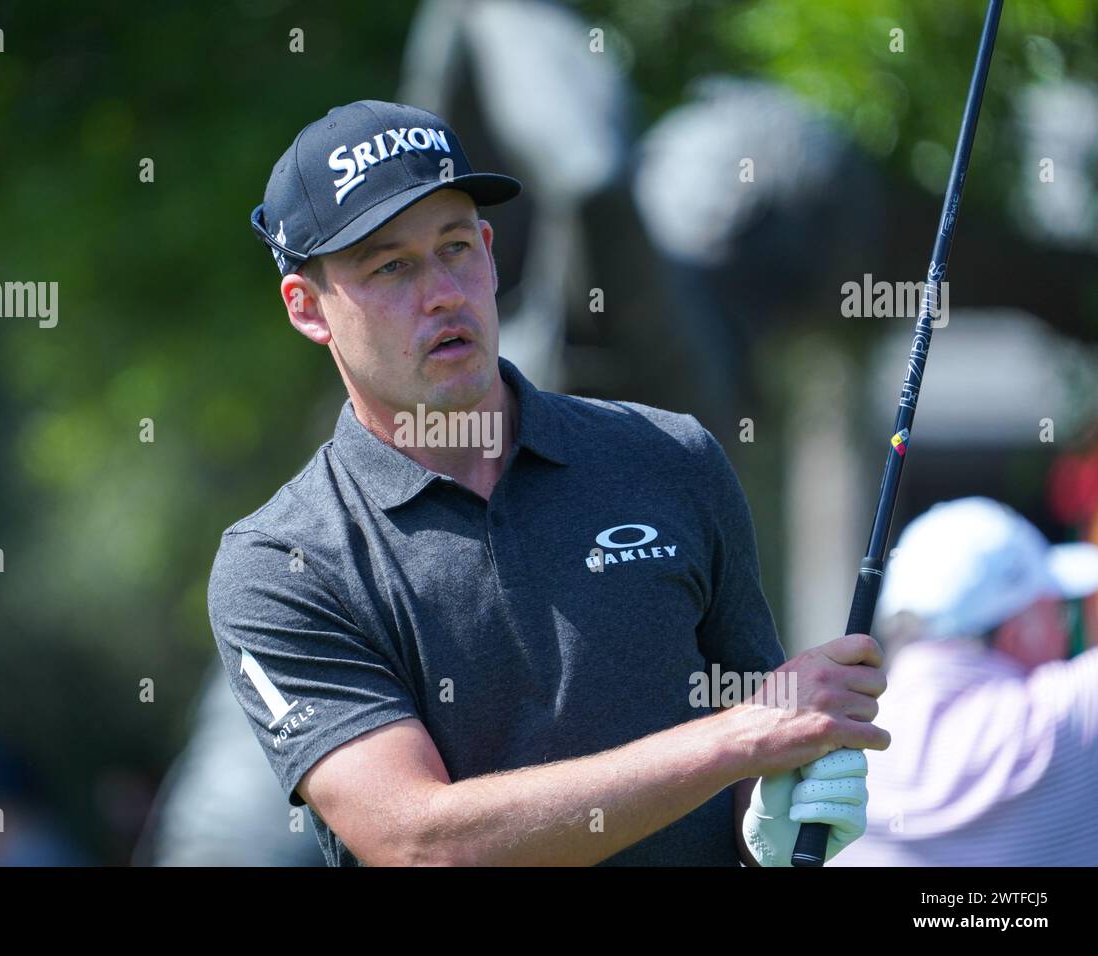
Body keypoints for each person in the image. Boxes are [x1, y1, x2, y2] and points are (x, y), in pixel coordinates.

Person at [208, 99, 889, 866]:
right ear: (307, 309)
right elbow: (417, 841)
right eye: (390, 266)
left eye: (456, 247)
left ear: (492, 254)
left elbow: (750, 756)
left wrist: (781, 801)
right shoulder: (280, 564)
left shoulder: (673, 457)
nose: (442, 291)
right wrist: (740, 740)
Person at [832, 496, 1098, 866]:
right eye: (1056, 612)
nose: (1064, 630)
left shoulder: (832, 741)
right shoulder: (1069, 716)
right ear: (1019, 632)